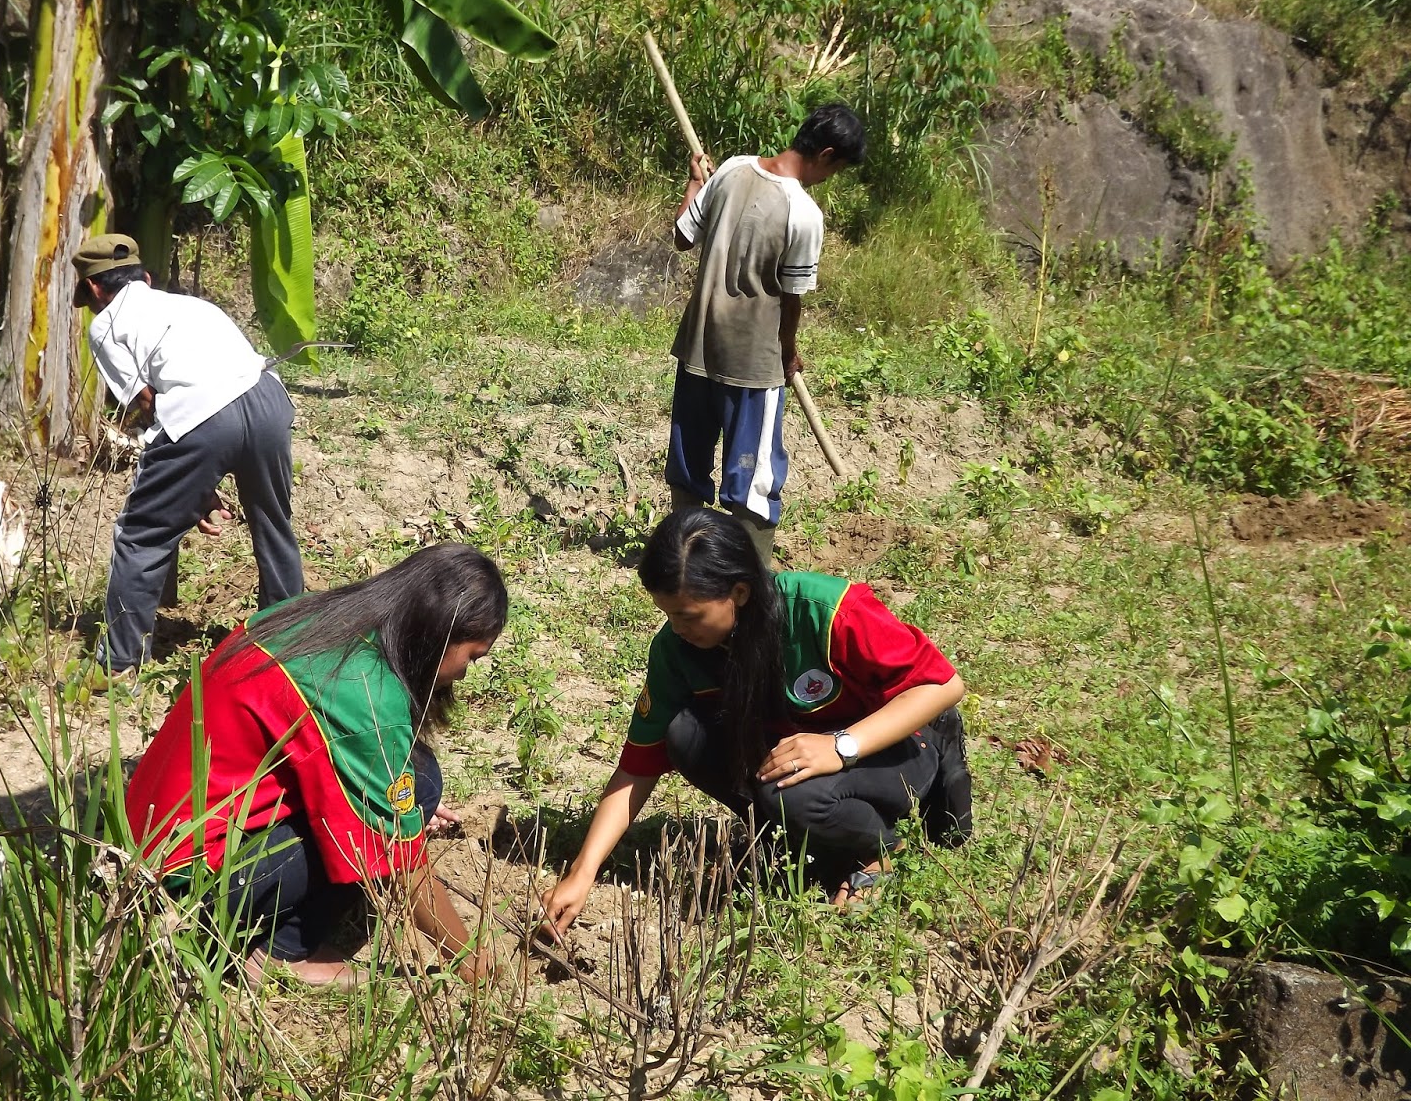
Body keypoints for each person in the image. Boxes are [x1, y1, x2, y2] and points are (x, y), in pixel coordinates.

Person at [540, 509, 971, 931]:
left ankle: (877, 851)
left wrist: (841, 745)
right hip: (798, 762)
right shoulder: (677, 650)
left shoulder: (825, 610)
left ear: (740, 593)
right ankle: (797, 835)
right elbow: (638, 767)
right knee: (684, 734)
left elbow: (944, 686)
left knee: (794, 797)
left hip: (895, 751)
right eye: (668, 613)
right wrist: (583, 872)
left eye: (689, 615)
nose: (677, 627)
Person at [125, 542, 506, 986]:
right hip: (186, 883)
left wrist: (395, 798)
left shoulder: (321, 617)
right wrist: (468, 960)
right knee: (374, 827)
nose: (463, 674)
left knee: (417, 781)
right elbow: (398, 864)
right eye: (471, 657)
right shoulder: (362, 694)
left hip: (150, 827)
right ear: (438, 633)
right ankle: (283, 949)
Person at [72, 233, 304, 676]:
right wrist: (198, 483)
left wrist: (194, 480)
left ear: (95, 289)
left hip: (204, 418)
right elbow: (227, 388)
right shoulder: (195, 306)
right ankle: (286, 645)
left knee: (142, 534)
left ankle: (119, 663)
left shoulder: (103, 326)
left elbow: (148, 402)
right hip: (268, 399)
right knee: (273, 525)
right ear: (145, 277)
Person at [666, 104, 867, 566]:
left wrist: (696, 182)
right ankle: (750, 573)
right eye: (835, 170)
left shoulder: (733, 169)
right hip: (753, 361)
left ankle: (681, 561)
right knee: (753, 473)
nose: (829, 178)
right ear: (828, 154)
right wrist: (789, 353)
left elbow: (682, 236)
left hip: (698, 343)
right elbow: (791, 299)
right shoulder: (804, 213)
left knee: (689, 455)